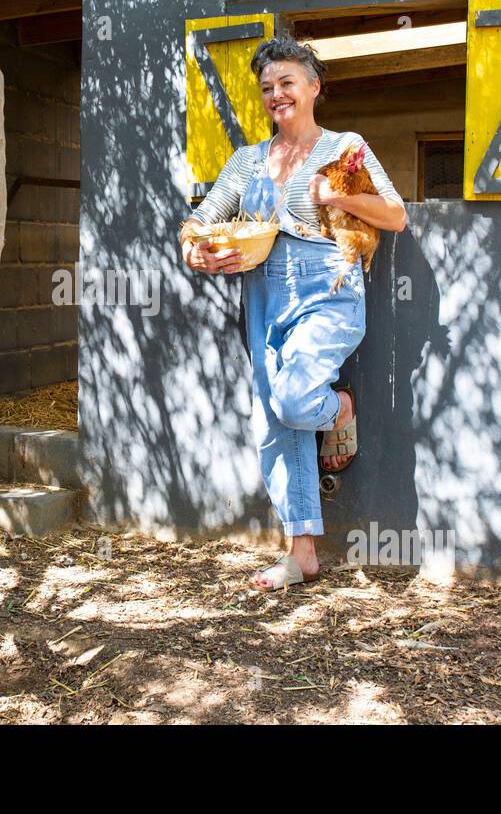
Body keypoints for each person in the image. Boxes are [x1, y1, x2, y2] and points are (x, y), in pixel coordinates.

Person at [179, 35, 407, 591]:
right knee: (274, 422)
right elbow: (204, 216)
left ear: (313, 88)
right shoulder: (248, 160)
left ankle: (340, 410)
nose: (276, 94)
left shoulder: (342, 149)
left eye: (287, 83)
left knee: (296, 397)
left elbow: (395, 215)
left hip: (328, 287)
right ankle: (301, 552)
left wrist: (337, 197)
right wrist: (194, 246)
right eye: (266, 87)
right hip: (262, 293)